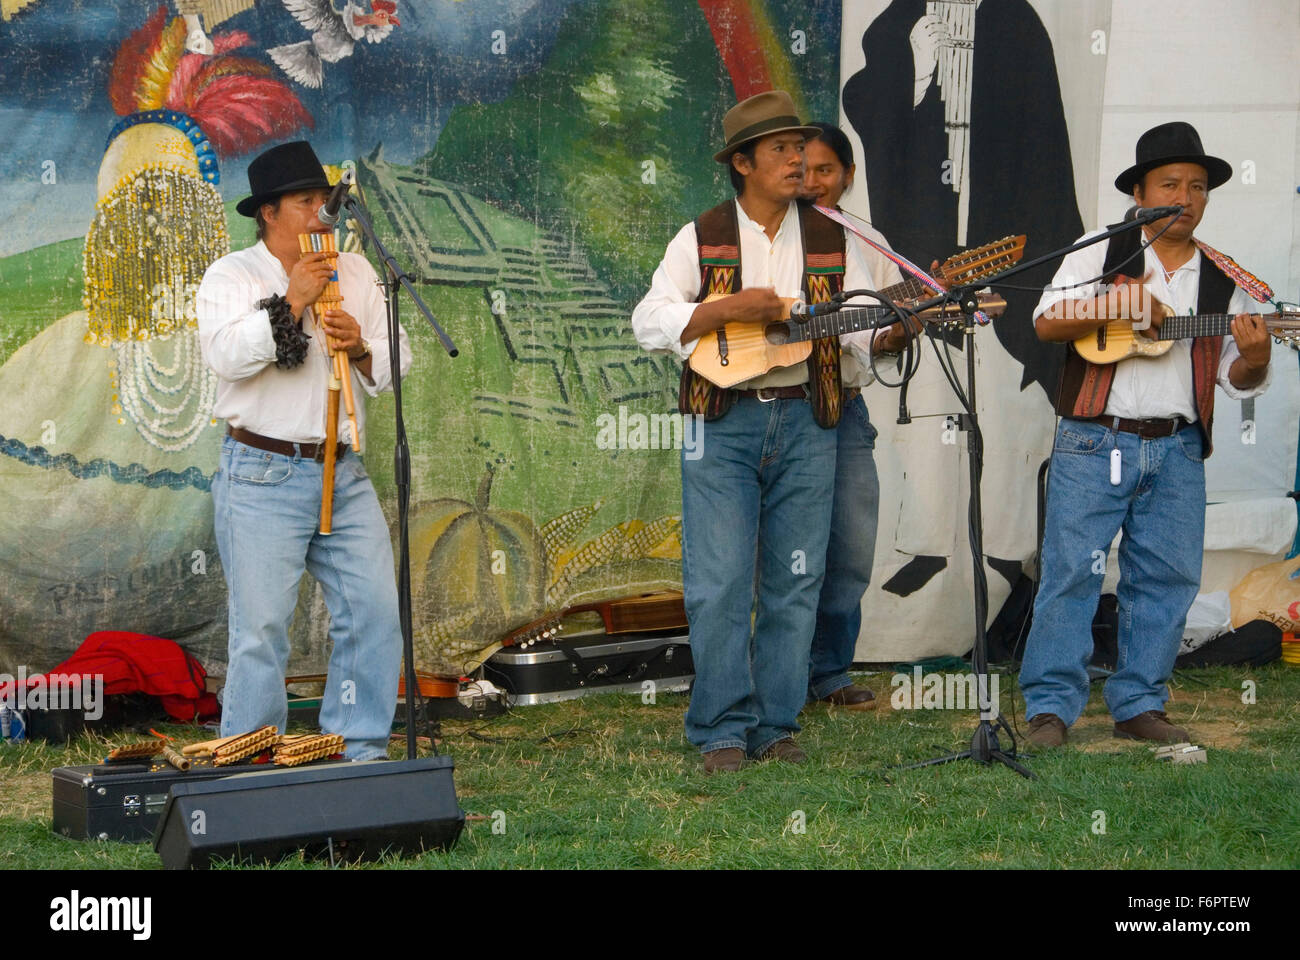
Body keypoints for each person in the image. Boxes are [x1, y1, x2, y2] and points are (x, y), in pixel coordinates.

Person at [631, 92, 900, 772]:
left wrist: (904, 323)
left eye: (799, 147)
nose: (797, 159)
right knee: (719, 581)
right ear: (743, 162)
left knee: (795, 579)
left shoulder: (836, 238)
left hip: (810, 417)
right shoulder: (703, 234)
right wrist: (728, 308)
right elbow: (649, 320)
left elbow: (866, 328)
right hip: (720, 425)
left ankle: (777, 724)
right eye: (780, 149)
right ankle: (721, 730)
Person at [1020, 122, 1272, 747]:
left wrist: (1258, 358)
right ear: (1139, 193)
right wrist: (1117, 306)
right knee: (1071, 572)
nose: (1185, 196)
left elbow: (1238, 380)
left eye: (1197, 187)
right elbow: (1046, 321)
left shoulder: (1222, 278)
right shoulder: (1100, 251)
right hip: (1092, 439)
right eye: (1170, 184)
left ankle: (1139, 703)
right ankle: (1050, 708)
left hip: (1179, 446)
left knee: (1167, 577)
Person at [197, 140, 412, 761]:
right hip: (260, 472)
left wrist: (364, 346)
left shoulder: (359, 271)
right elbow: (226, 358)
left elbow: (401, 361)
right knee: (262, 630)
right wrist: (292, 302)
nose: (322, 212)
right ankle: (249, 762)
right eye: (305, 201)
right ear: (268, 211)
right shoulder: (232, 276)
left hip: (341, 470)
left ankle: (357, 750)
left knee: (373, 611)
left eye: (326, 201)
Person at [801, 122, 912, 710]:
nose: (815, 182)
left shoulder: (867, 239)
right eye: (805, 169)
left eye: (828, 170)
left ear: (848, 176)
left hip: (843, 406)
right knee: (784, 549)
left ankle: (829, 672)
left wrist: (900, 331)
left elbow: (885, 330)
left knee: (848, 545)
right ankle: (774, 674)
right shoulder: (765, 232)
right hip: (779, 405)